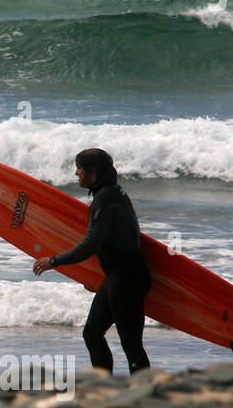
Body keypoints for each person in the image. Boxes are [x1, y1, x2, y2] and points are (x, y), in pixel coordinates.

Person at [33, 148, 151, 375]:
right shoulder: (113, 193)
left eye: (80, 168)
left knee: (131, 344)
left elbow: (91, 244)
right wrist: (95, 277)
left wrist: (54, 261)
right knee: (92, 333)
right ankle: (103, 384)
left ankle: (147, 394)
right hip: (120, 276)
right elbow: (116, 243)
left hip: (127, 279)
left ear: (93, 171)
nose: (77, 173)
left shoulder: (105, 198)